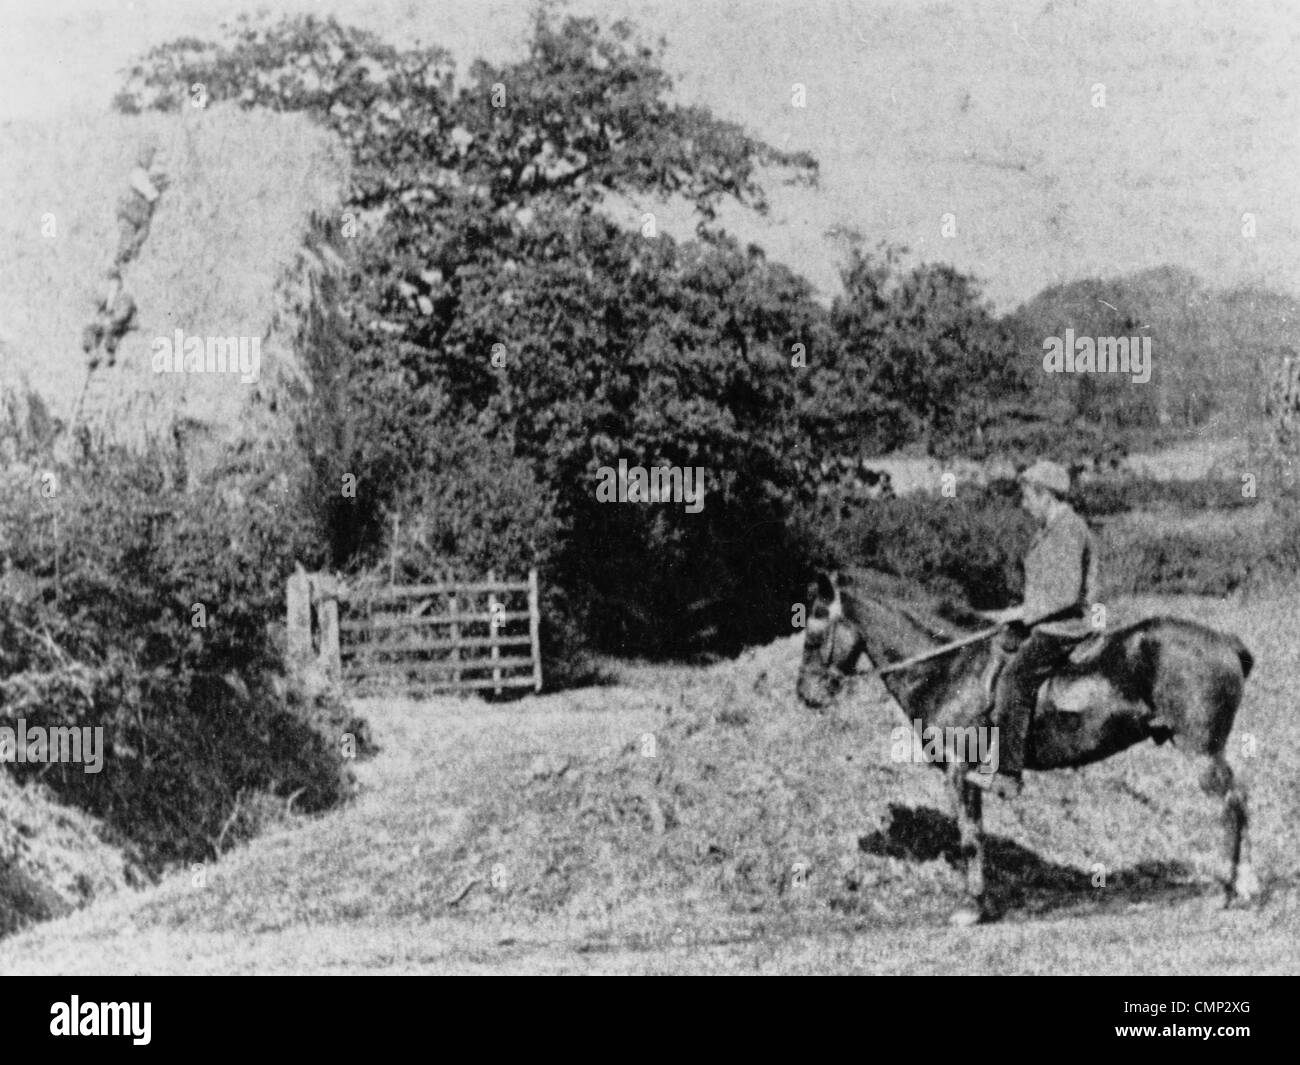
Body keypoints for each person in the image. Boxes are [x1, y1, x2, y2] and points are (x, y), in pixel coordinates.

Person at [969, 460, 1099, 797]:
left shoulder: (1068, 529)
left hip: (1062, 628)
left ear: (1045, 495)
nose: (1025, 505)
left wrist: (1021, 613)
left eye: (1028, 497)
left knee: (1014, 680)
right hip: (1045, 622)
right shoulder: (1052, 529)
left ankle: (1008, 773)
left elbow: (1067, 593)